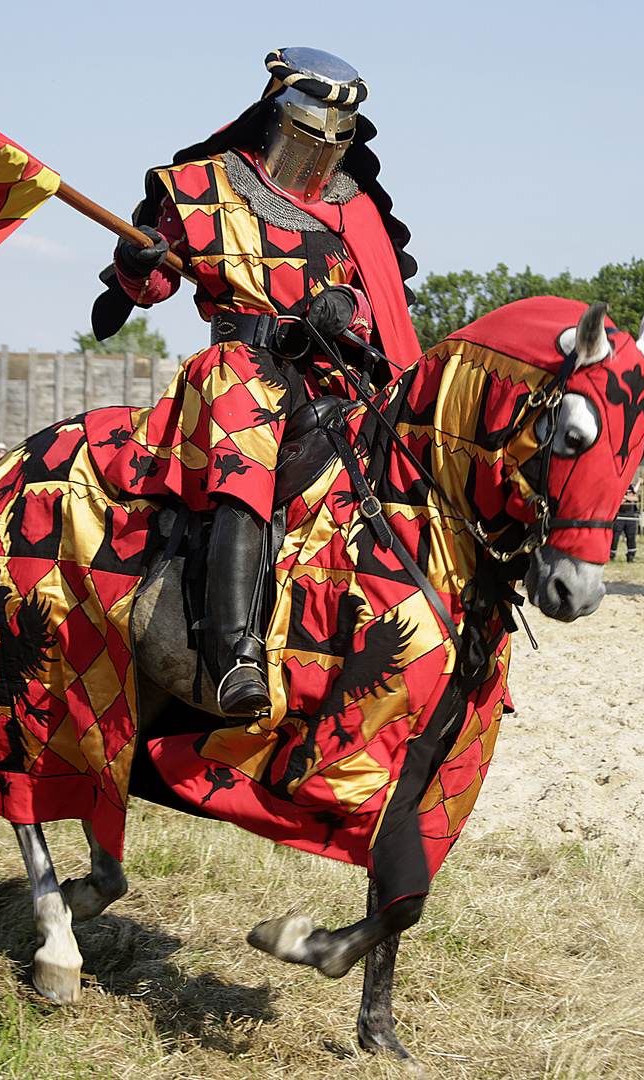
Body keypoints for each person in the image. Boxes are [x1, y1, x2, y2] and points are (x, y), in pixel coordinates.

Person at [89, 47, 420, 716]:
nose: (324, 150)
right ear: (277, 118)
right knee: (248, 454)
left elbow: (378, 300)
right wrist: (134, 259)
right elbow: (153, 283)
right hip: (243, 366)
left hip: (331, 371)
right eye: (310, 130)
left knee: (401, 459)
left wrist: (345, 308)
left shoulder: (354, 207)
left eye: (338, 136)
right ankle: (235, 654)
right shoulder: (206, 188)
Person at [609, 476, 642, 561]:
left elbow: (635, 498)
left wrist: (625, 497)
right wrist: (626, 498)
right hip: (619, 516)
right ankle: (612, 555)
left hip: (630, 516)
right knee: (615, 536)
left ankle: (631, 555)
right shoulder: (618, 486)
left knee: (631, 536)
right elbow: (617, 499)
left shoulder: (631, 486)